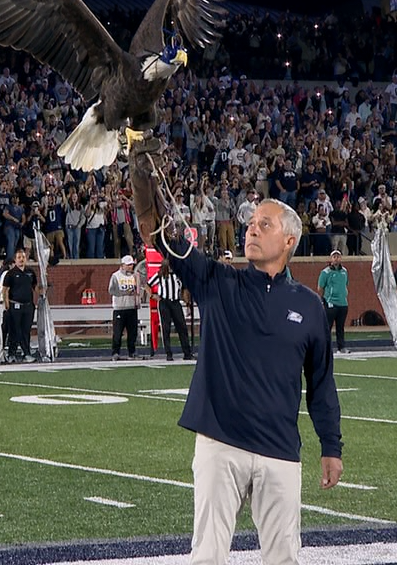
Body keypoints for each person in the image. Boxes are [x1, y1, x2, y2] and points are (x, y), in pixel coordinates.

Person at [139, 184, 342, 564]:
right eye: (251, 223)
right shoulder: (217, 281)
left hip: (280, 448)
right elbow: (163, 238)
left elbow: (321, 383)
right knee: (208, 556)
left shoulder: (310, 306)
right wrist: (145, 189)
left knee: (283, 558)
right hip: (221, 443)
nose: (252, 229)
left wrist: (331, 446)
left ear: (289, 240)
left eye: (265, 225)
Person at [149, 259, 194, 361]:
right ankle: (168, 353)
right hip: (164, 302)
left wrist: (187, 304)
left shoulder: (179, 275)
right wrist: (153, 295)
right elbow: (148, 285)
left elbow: (184, 290)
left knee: (182, 327)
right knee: (166, 328)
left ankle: (187, 353)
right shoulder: (160, 275)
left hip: (176, 302)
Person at [2, 249, 40, 363]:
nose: (21, 259)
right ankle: (12, 353)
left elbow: (35, 287)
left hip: (28, 306)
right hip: (15, 305)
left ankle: (26, 353)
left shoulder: (30, 272)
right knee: (14, 330)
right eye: (19, 257)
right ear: (15, 260)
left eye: (23, 257)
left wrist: (42, 292)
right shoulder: (11, 273)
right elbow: (5, 290)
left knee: (26, 330)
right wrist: (7, 304)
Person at [108, 254, 146, 361]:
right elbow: (111, 290)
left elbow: (140, 289)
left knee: (132, 333)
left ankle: (132, 352)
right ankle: (115, 352)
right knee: (118, 332)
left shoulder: (135, 276)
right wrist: (124, 292)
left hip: (132, 307)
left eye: (131, 265)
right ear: (122, 265)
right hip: (119, 308)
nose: (131, 267)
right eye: (128, 265)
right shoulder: (115, 276)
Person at [318, 250, 350, 353]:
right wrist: (323, 299)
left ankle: (341, 347)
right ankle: (325, 347)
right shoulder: (325, 272)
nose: (336, 258)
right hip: (331, 302)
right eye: (334, 256)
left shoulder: (344, 271)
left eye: (338, 256)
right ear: (331, 259)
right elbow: (320, 287)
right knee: (328, 327)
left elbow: (346, 284)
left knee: (340, 327)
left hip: (343, 303)